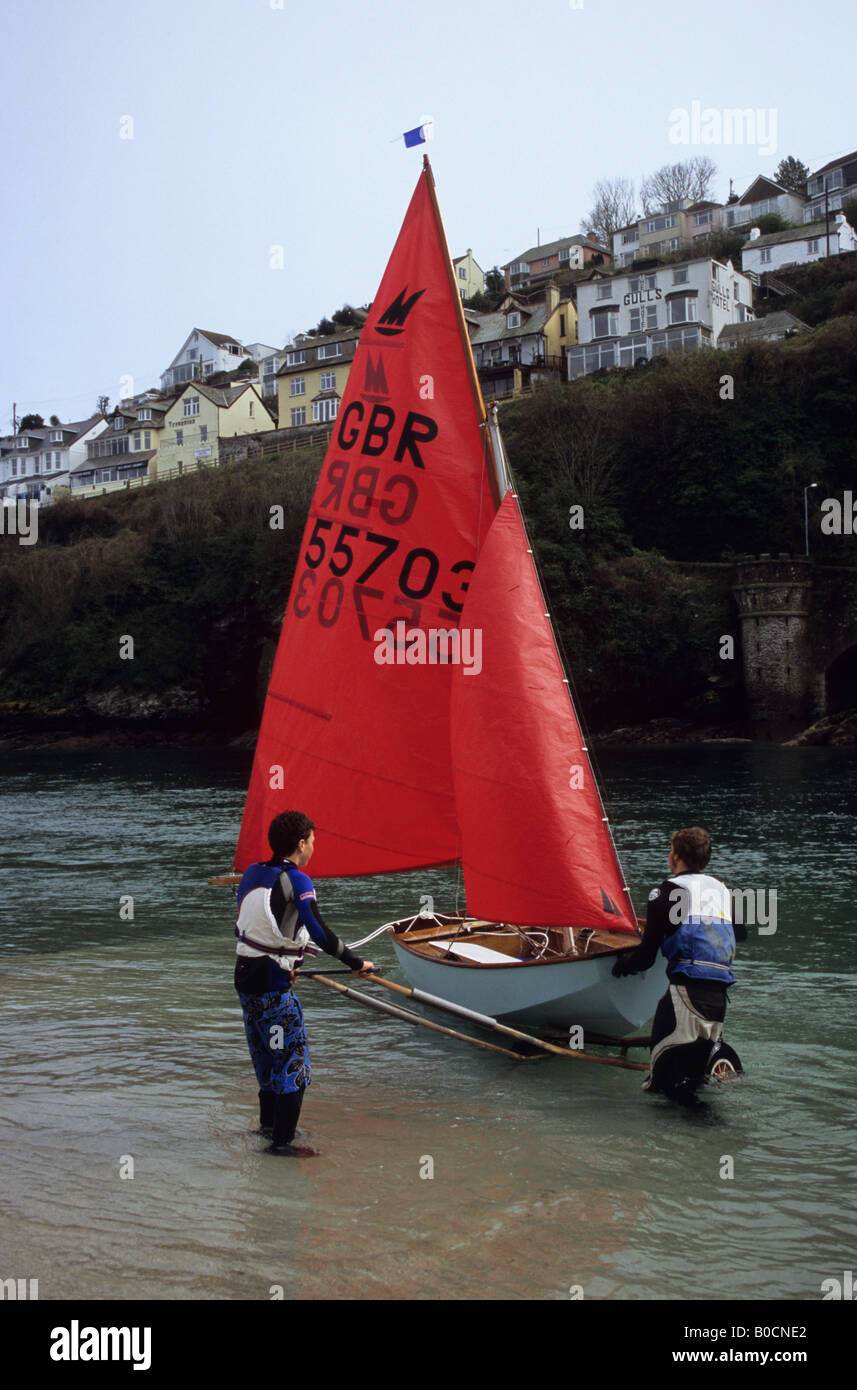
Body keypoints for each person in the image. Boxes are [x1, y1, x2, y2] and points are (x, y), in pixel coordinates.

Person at [234, 809, 375, 1155]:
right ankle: (282, 1146)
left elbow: (256, 929)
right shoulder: (298, 880)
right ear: (300, 844)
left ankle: (267, 1131)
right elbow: (320, 933)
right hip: (272, 990)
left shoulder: (252, 873)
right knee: (294, 1065)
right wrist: (356, 963)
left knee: (267, 1059)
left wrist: (289, 964)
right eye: (312, 842)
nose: (314, 848)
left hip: (246, 982)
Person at [611, 826, 746, 1100]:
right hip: (718, 998)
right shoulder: (722, 890)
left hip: (685, 996)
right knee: (693, 1080)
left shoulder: (665, 892)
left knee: (661, 1087)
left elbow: (646, 958)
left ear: (675, 857)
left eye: (670, 850)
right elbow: (740, 933)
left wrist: (621, 966)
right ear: (704, 860)